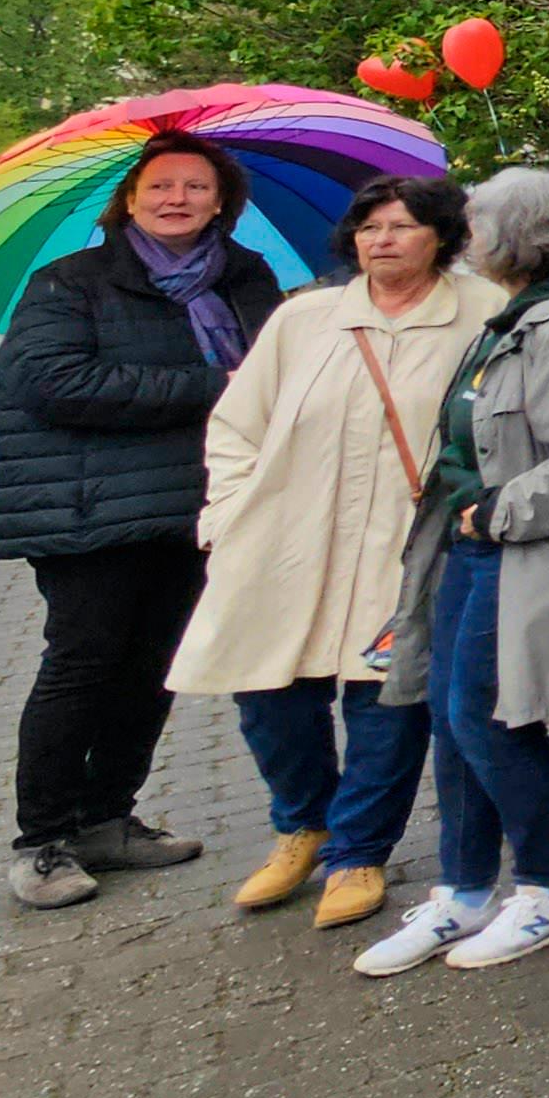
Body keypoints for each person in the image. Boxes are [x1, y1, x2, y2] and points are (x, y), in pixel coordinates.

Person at [169, 175, 486, 930]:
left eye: (403, 225)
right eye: (369, 225)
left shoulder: (482, 315)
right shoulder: (304, 318)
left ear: (440, 236)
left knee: (386, 700)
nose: (382, 239)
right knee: (268, 691)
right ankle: (300, 826)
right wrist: (229, 512)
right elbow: (237, 423)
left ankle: (358, 852)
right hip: (286, 537)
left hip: (405, 543)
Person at [353, 171, 549, 978]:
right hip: (467, 548)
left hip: (515, 551)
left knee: (489, 719)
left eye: (477, 223)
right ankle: (465, 888)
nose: (465, 235)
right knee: (450, 716)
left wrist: (499, 513)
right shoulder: (516, 317)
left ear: (516, 237)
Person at [0, 130, 282, 907]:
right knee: (81, 668)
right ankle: (42, 841)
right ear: (130, 199)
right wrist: (210, 384)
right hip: (90, 510)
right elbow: (56, 383)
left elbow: (279, 374)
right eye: (160, 186)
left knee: (155, 667)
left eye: (193, 186)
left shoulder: (248, 281)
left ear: (223, 201)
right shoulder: (72, 281)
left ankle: (107, 818)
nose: (175, 198)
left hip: (202, 506)